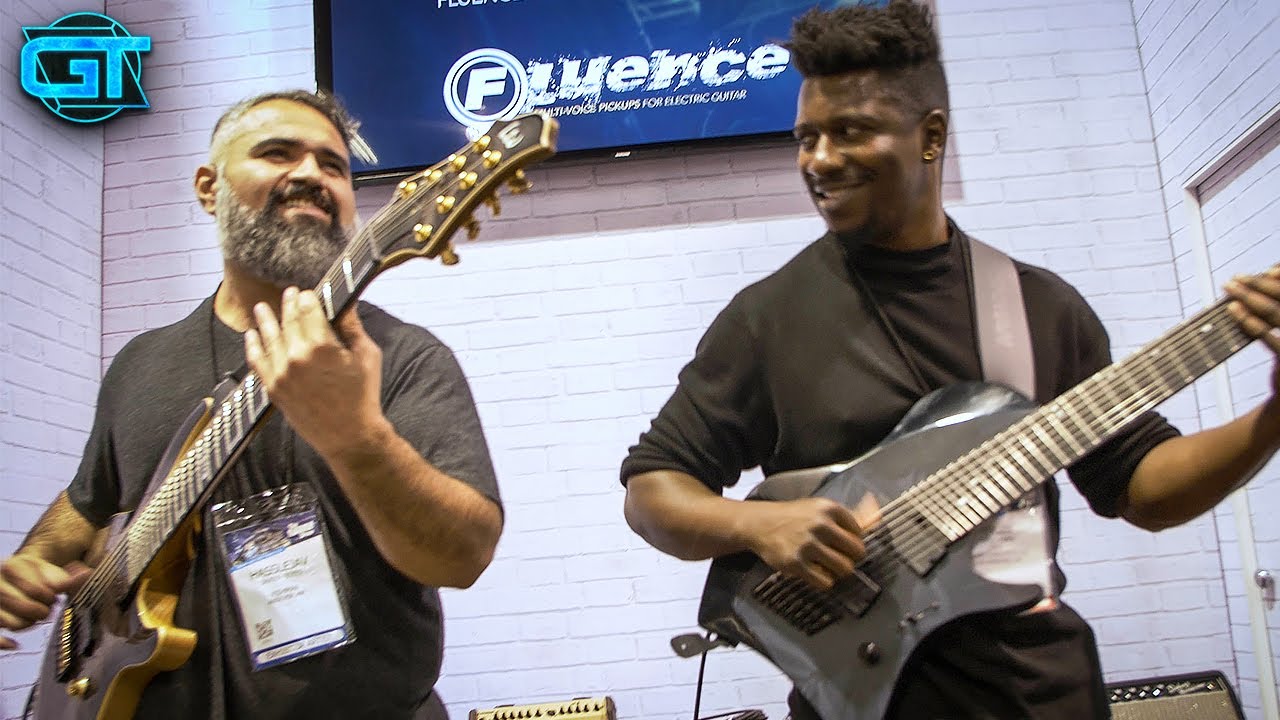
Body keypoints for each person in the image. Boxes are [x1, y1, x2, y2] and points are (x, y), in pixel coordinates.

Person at [619, 2, 1280, 718]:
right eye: (806, 137)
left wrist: (1273, 417)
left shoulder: (1038, 306)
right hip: (862, 700)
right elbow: (652, 492)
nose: (819, 159)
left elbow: (1141, 488)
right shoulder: (766, 318)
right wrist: (761, 527)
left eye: (850, 132)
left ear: (930, 136)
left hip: (1037, 693)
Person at [0, 90, 503, 719]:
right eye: (277, 153)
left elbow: (461, 558)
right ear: (209, 188)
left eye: (333, 165)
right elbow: (87, 500)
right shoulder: (141, 363)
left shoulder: (402, 357)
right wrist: (31, 562)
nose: (311, 176)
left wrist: (356, 436)